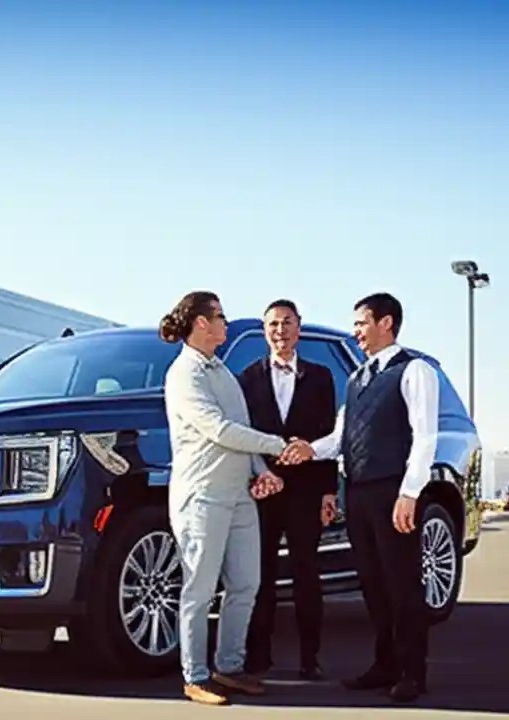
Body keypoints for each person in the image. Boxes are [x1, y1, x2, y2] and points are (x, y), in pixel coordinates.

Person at [279, 292, 438, 703]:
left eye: (361, 323)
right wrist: (309, 448)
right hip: (361, 493)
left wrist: (409, 494)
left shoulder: (414, 371)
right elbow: (342, 437)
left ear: (386, 323)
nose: (356, 333)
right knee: (373, 583)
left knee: (402, 584)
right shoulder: (357, 378)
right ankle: (384, 664)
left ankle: (411, 673)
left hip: (393, 491)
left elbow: (425, 439)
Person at [158, 290, 312, 706]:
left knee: (247, 583)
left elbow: (240, 432)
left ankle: (229, 666)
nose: (227, 323)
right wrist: (279, 445)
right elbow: (219, 429)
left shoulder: (223, 372)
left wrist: (263, 472)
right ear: (202, 323)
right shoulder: (184, 375)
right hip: (202, 496)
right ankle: (195, 676)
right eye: (221, 317)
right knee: (200, 588)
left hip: (240, 496)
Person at [236, 299, 339, 680]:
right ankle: (258, 655)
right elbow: (243, 436)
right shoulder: (247, 378)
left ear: (299, 329)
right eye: (273, 325)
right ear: (265, 331)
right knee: (257, 573)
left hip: (307, 491)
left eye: (287, 323)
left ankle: (310, 657)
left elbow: (328, 434)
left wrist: (330, 492)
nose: (280, 331)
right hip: (263, 489)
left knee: (305, 572)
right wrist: (259, 474)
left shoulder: (321, 377)